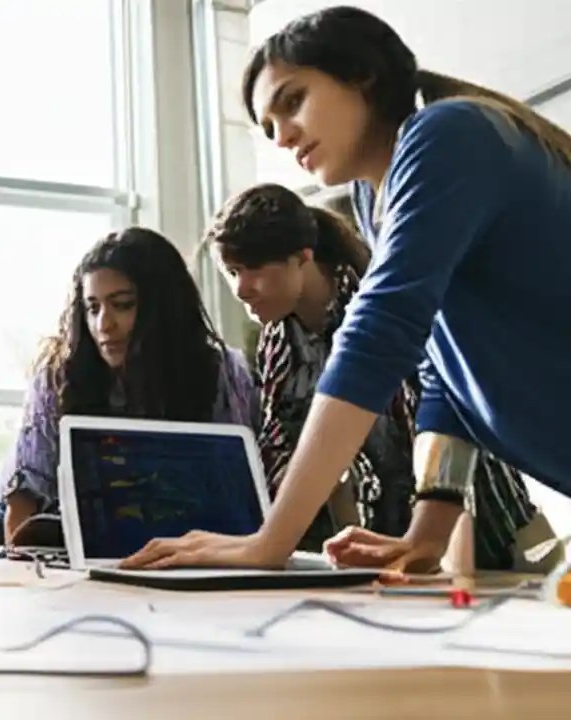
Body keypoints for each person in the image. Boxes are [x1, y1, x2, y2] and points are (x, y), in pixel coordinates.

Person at [123, 5, 571, 571]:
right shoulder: (375, 197)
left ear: (362, 74)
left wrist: (269, 543)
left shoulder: (447, 135)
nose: (282, 136)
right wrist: (427, 532)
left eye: (292, 102)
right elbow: (442, 374)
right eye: (267, 127)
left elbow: (381, 332)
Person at [206, 182, 554, 571]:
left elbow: (437, 432)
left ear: (302, 258)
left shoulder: (379, 309)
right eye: (233, 271)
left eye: (253, 270)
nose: (241, 289)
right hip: (391, 543)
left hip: (482, 527)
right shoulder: (279, 343)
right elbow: (283, 448)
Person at [0, 228, 260, 546]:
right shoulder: (58, 373)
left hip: (160, 522)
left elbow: (235, 486)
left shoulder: (220, 370)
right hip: (38, 522)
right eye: (93, 308)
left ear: (165, 309)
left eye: (123, 305)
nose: (104, 325)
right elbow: (25, 499)